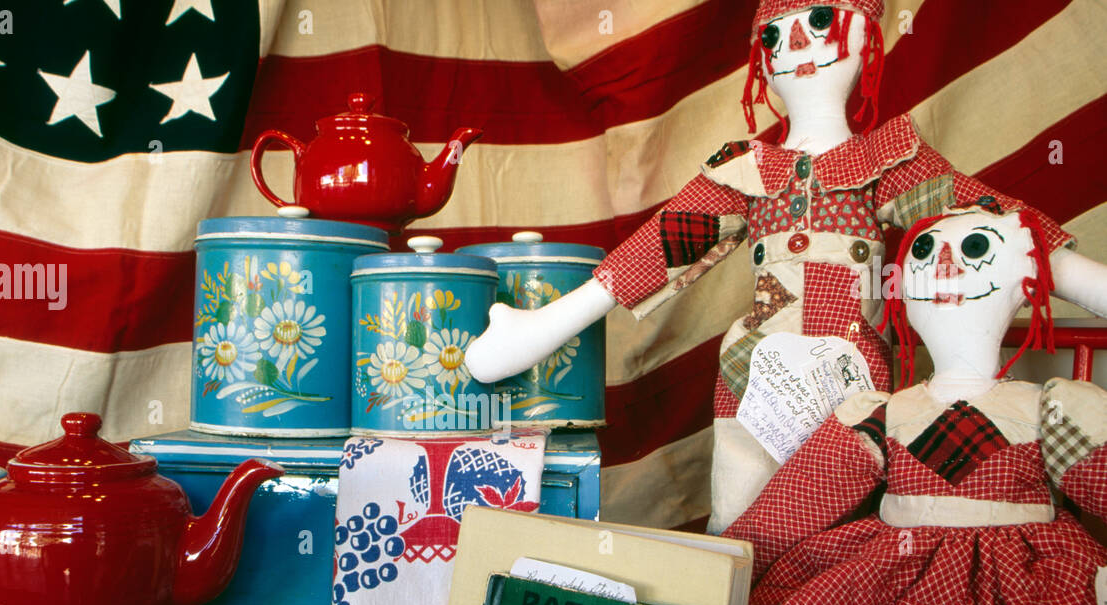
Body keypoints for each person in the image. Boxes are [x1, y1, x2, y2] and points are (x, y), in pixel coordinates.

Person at [464, 1, 1107, 533]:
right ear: (761, 60)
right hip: (754, 375)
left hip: (853, 388)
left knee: (841, 524)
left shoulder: (888, 160)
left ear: (864, 34)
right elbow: (662, 243)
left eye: (820, 21)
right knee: (737, 520)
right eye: (775, 32)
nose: (797, 43)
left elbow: (991, 217)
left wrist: (1085, 282)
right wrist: (546, 324)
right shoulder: (748, 170)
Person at [722, 206, 1107, 605]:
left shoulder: (1050, 409)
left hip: (1024, 585)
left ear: (1027, 279)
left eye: (975, 249)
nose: (945, 264)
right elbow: (796, 502)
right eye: (924, 251)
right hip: (893, 570)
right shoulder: (881, 412)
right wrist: (722, 566)